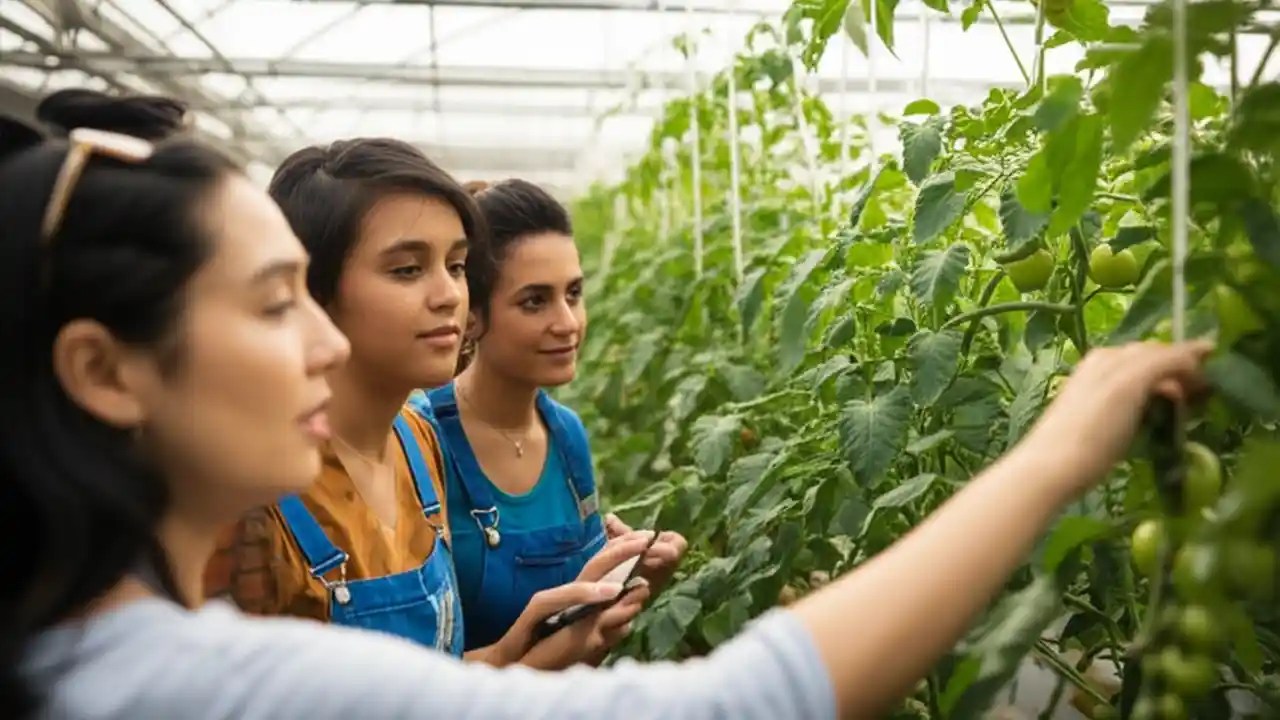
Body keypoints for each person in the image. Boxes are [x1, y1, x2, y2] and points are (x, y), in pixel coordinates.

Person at [3, 94, 1215, 720]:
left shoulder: (85, 652)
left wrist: (518, 661)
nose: (324, 341)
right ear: (102, 372)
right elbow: (741, 707)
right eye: (277, 302)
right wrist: (1057, 449)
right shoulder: (184, 681)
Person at [202, 140, 645, 666]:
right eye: (407, 270)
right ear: (311, 289)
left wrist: (523, 645)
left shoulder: (417, 443)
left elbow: (440, 678)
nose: (449, 295)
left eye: (456, 266)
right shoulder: (252, 494)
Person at [417, 179, 687, 652]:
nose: (567, 322)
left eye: (574, 293)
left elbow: (578, 647)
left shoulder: (566, 437)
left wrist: (632, 579)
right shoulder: (422, 439)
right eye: (534, 301)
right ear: (472, 315)